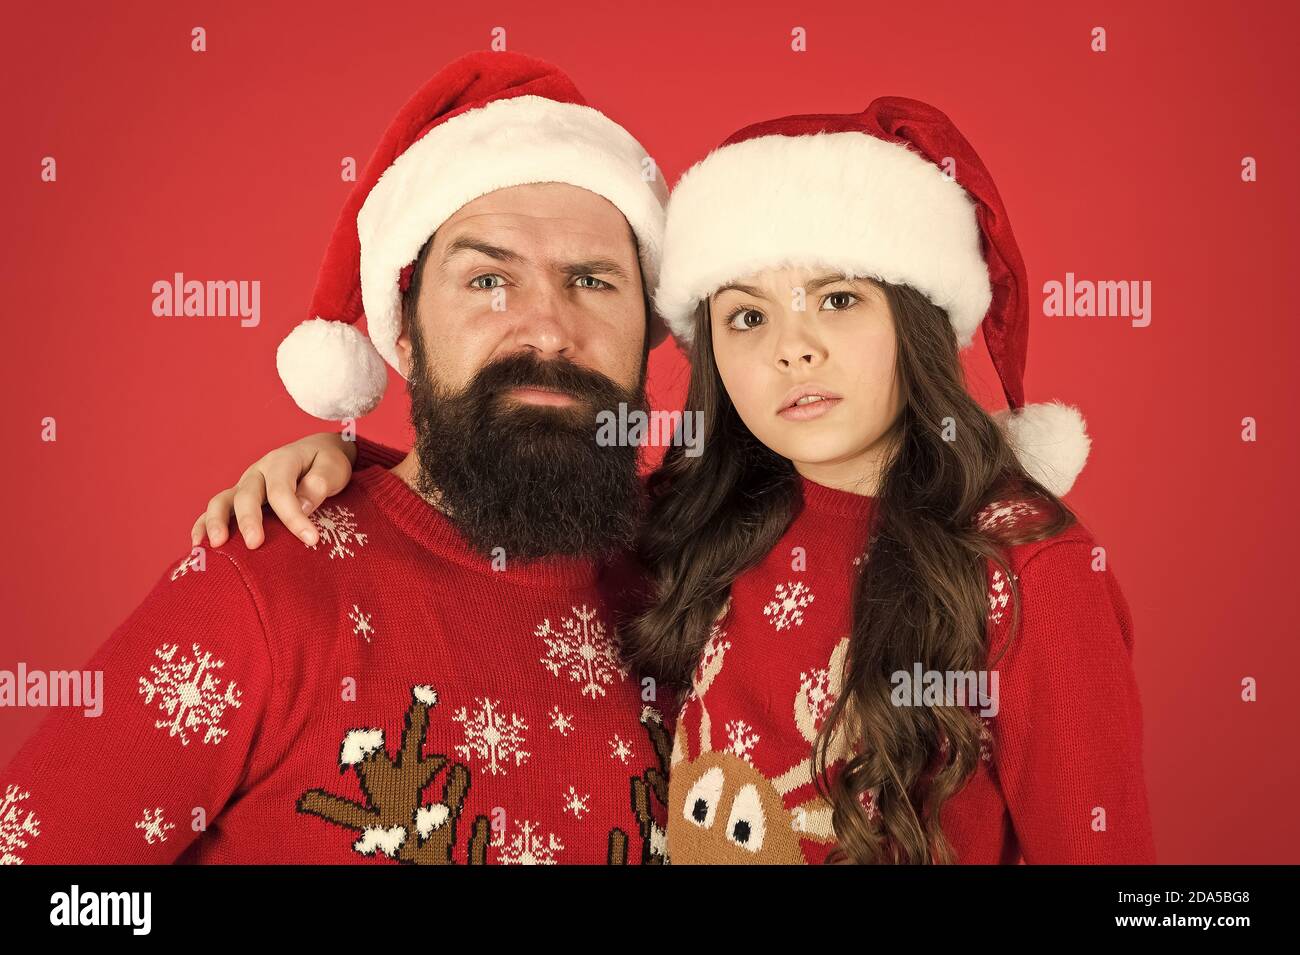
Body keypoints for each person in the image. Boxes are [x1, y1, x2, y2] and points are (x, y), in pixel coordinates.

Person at [184, 99, 1157, 865]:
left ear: (922, 318)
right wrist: (346, 469)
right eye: (746, 316)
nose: (794, 349)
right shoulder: (693, 519)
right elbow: (501, 495)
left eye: (837, 298)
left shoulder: (1026, 568)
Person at [0, 51, 673, 865]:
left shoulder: (700, 592)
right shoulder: (263, 584)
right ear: (402, 333)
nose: (547, 329)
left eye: (594, 281)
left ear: (650, 328)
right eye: (488, 280)